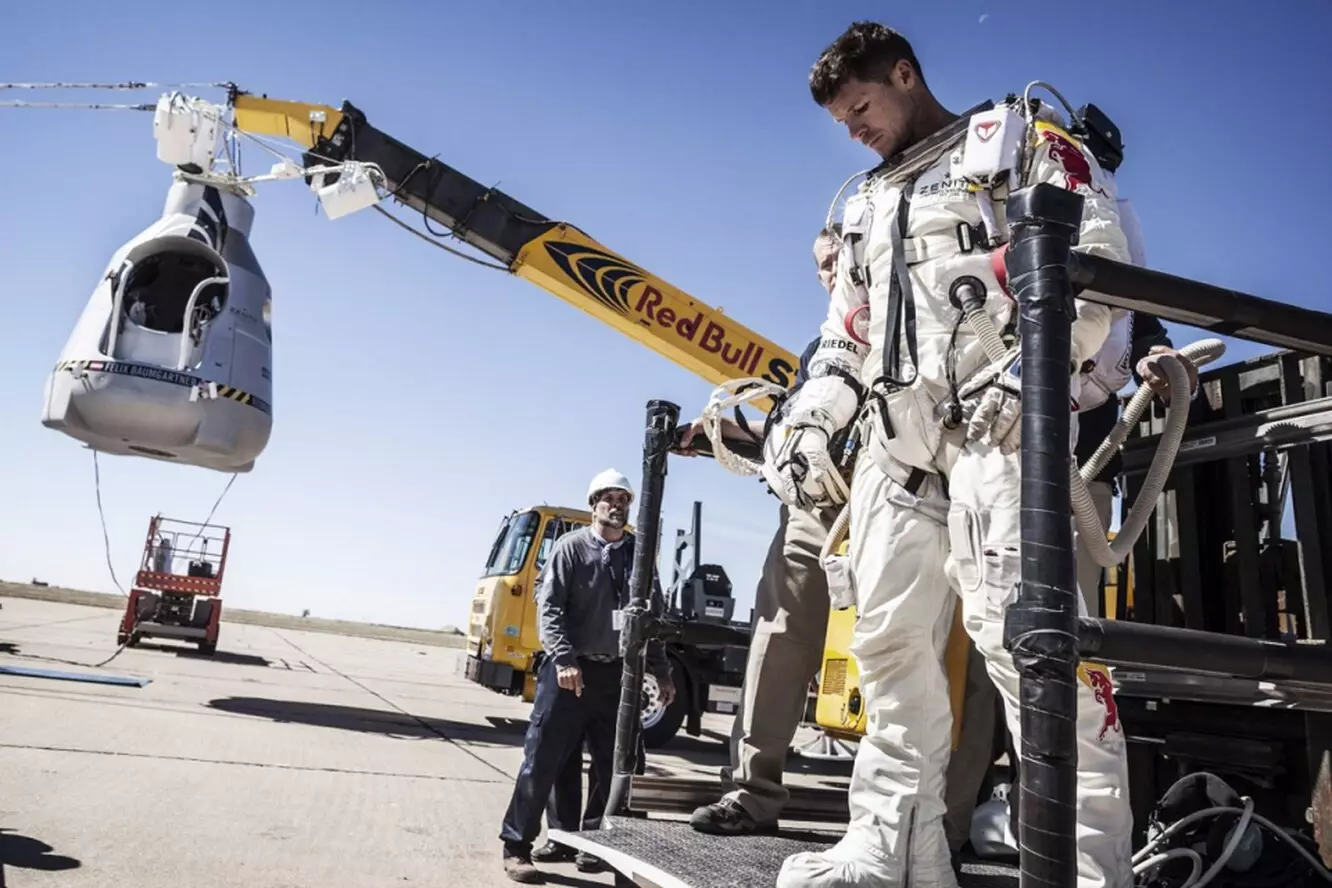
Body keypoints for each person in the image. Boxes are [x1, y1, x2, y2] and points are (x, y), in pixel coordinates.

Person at [760, 21, 1186, 888]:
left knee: (1031, 651)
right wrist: (809, 422)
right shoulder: (866, 204)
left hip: (1001, 439)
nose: (853, 130)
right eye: (842, 120)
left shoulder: (1021, 142)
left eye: (862, 107)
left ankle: (1088, 869)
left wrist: (1033, 373)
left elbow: (1092, 268)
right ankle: (893, 850)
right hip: (899, 448)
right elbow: (846, 335)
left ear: (905, 75)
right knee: (885, 649)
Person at [498, 469, 677, 884]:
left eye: (624, 499)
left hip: (619, 676)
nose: (616, 505)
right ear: (593, 502)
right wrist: (563, 660)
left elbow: (654, 618)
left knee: (613, 767)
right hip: (568, 673)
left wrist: (663, 671)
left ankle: (593, 846)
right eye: (608, 498)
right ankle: (517, 846)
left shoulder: (638, 555)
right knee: (543, 762)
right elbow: (551, 609)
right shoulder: (570, 549)